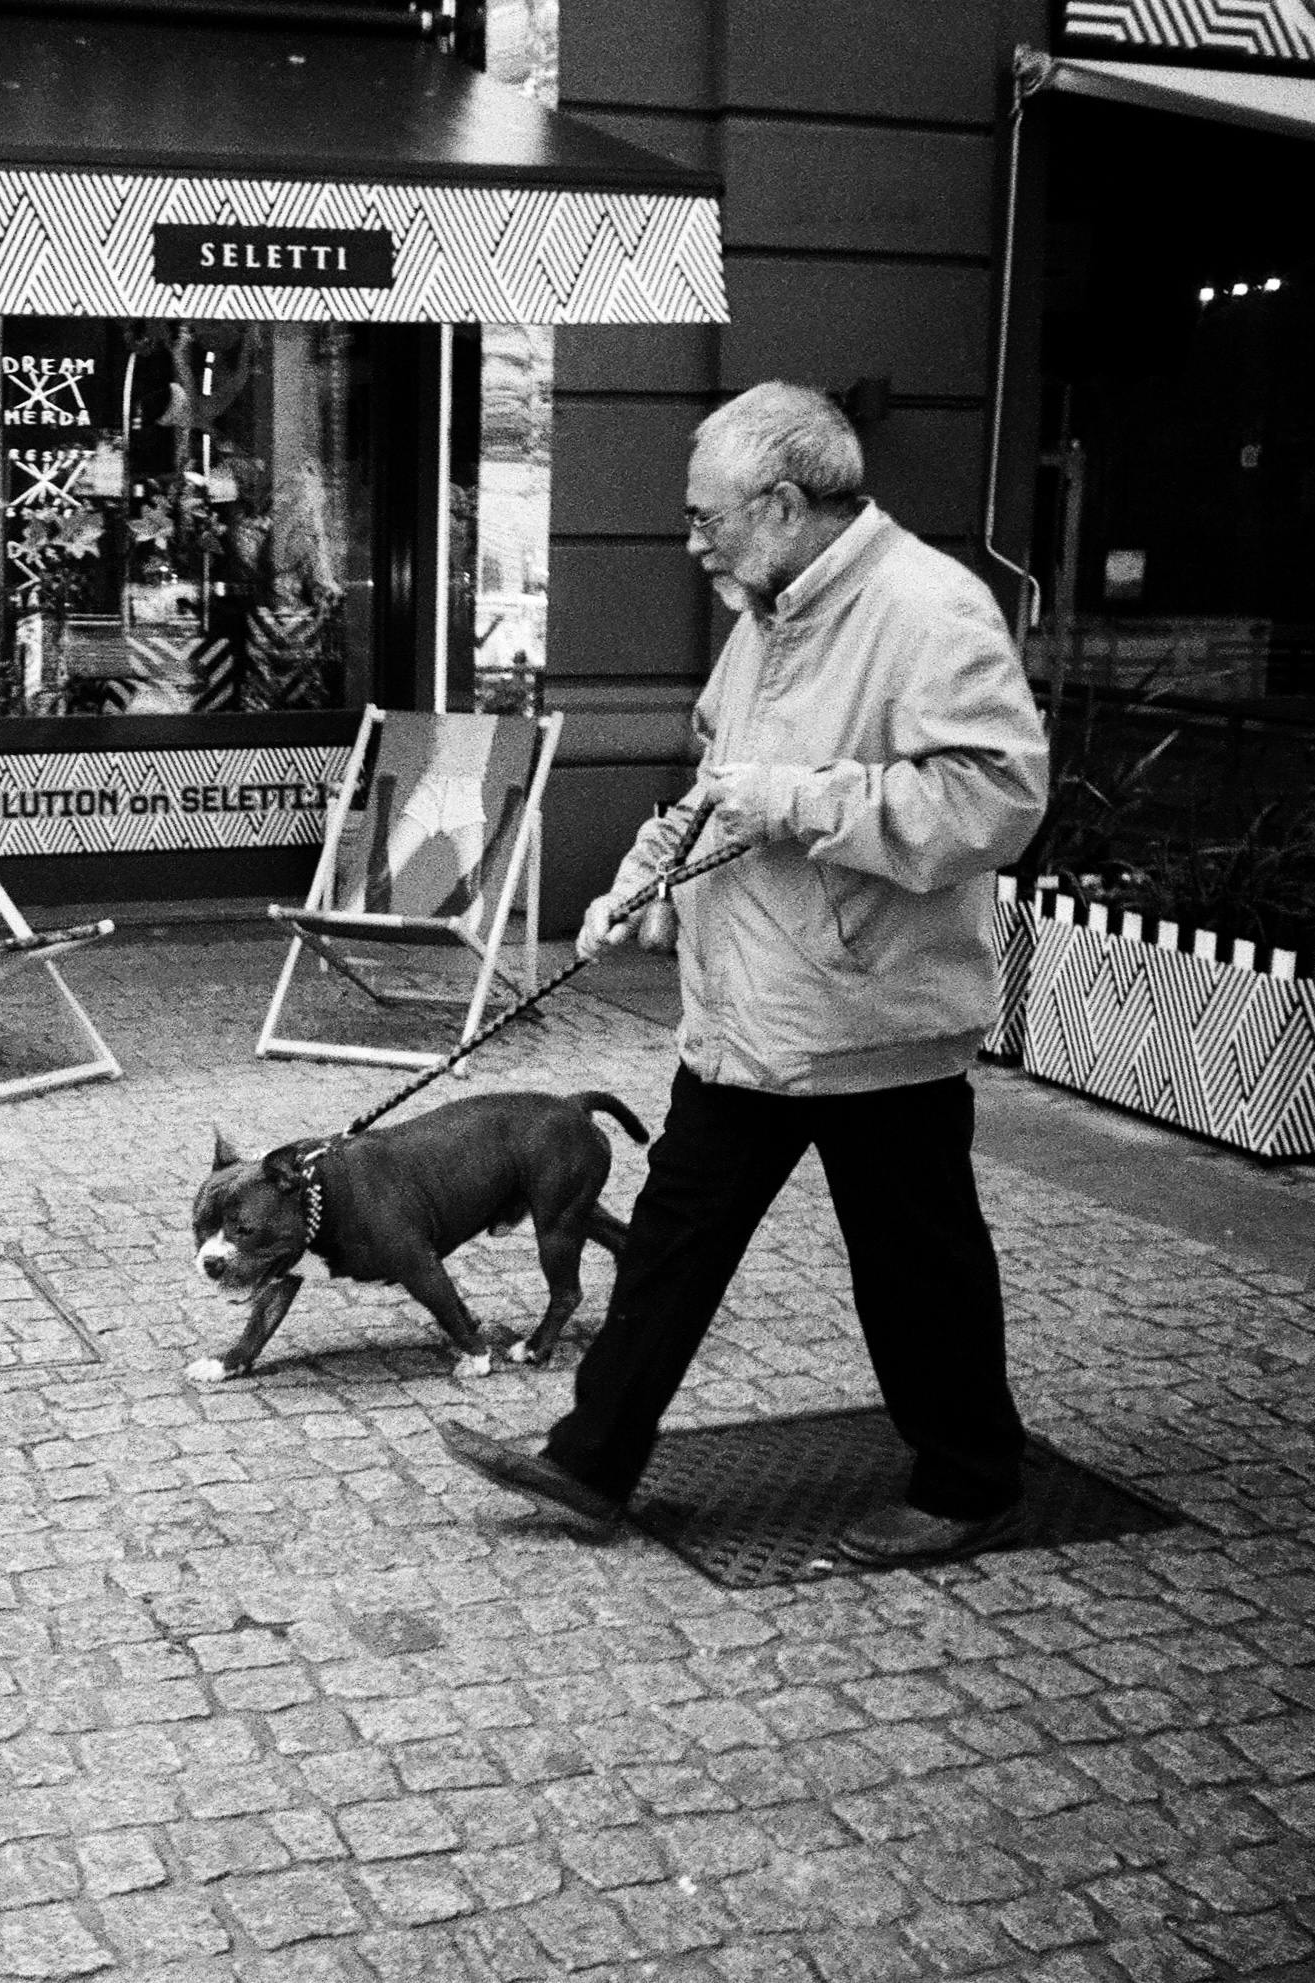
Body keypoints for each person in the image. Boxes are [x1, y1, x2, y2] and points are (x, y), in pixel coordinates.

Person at [438, 381, 1049, 1566]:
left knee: (913, 1263)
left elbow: (994, 803)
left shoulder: (928, 609)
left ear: (777, 503)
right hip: (750, 1006)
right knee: (670, 1241)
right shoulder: (765, 610)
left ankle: (971, 1481)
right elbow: (718, 784)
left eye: (703, 515)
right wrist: (638, 875)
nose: (689, 540)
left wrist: (801, 800)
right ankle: (589, 1463)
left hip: (870, 1015)